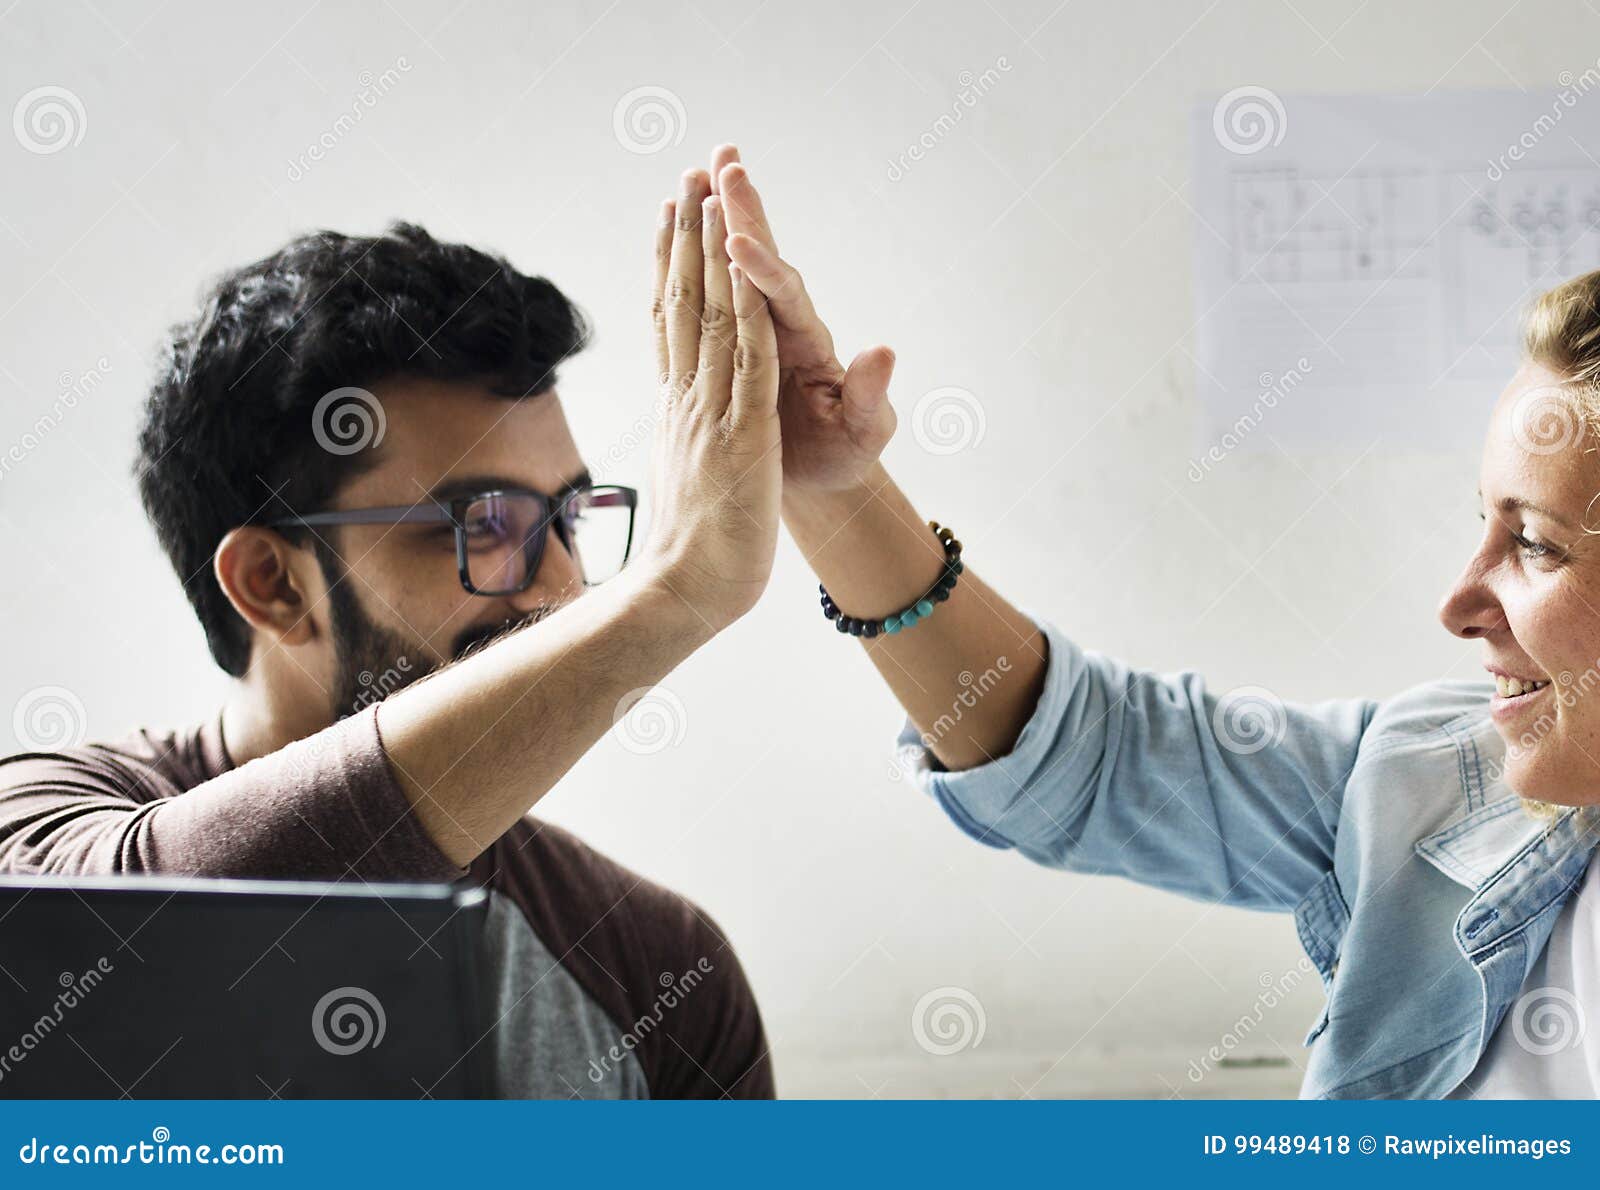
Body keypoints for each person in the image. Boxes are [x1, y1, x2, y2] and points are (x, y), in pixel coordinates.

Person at [706, 146, 1600, 1098]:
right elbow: (1091, 763)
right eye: (1483, 524)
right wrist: (835, 493)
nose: (1458, 604)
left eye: (1537, 545)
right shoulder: (1436, 776)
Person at [0, 169, 782, 1099]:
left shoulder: (662, 970)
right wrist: (675, 594)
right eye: (484, 523)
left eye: (567, 518)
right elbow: (119, 943)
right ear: (272, 584)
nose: (567, 587)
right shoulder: (45, 824)